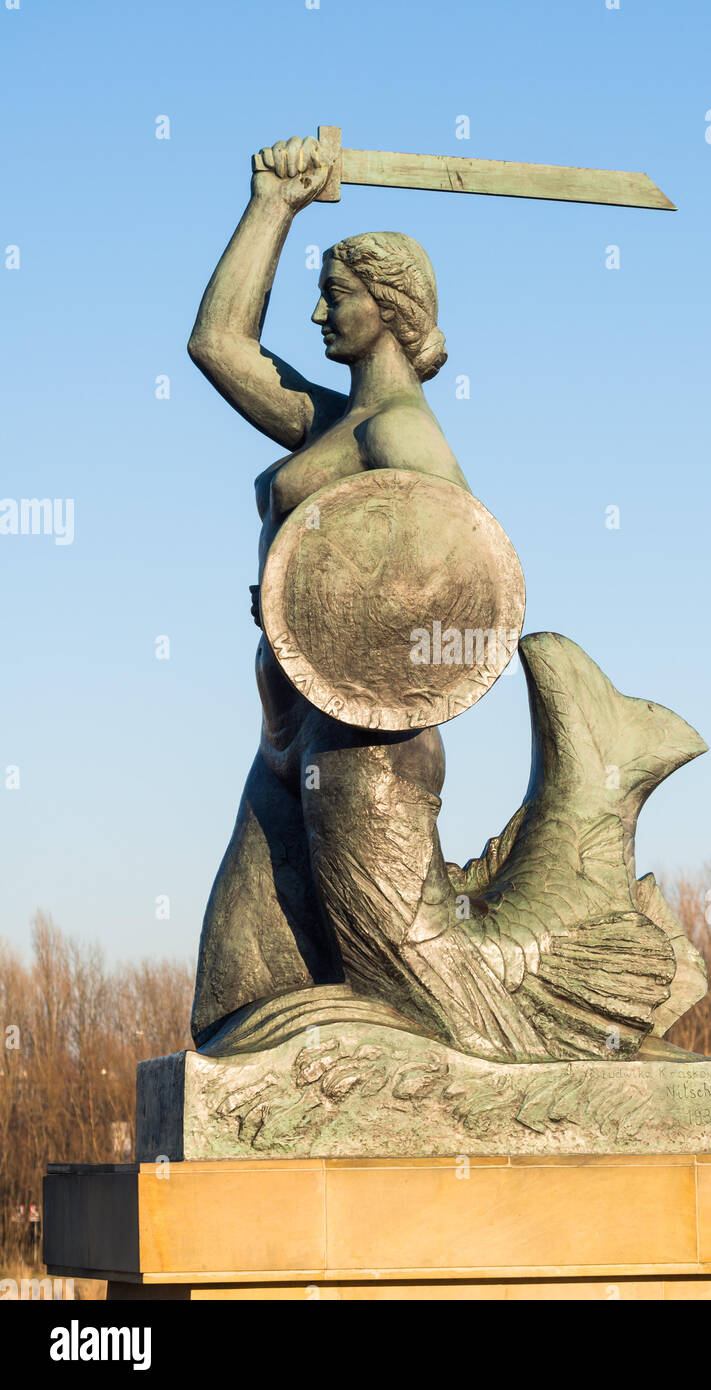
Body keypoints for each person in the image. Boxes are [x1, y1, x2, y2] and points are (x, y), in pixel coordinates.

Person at [187, 136, 463, 1046]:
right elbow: (218, 343)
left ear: (389, 310)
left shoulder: (402, 435)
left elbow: (456, 580)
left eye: (334, 297)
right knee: (243, 993)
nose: (315, 313)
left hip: (360, 746)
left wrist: (313, 601)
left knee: (406, 989)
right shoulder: (331, 420)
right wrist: (275, 203)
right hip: (289, 730)